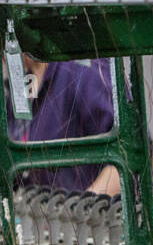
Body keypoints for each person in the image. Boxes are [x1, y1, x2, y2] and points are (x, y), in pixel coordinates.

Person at [13, 55, 121, 195]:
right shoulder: (24, 85)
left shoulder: (84, 71)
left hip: (103, 214)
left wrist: (82, 210)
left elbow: (128, 158)